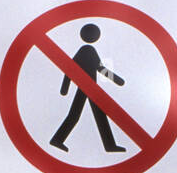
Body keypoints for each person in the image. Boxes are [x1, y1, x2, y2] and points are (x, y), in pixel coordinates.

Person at [49, 23, 127, 153]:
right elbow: (70, 68)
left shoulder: (90, 51)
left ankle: (109, 145)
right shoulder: (85, 50)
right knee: (76, 115)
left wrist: (117, 80)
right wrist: (65, 88)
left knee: (97, 116)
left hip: (91, 89)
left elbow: (100, 68)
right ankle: (58, 139)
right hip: (86, 88)